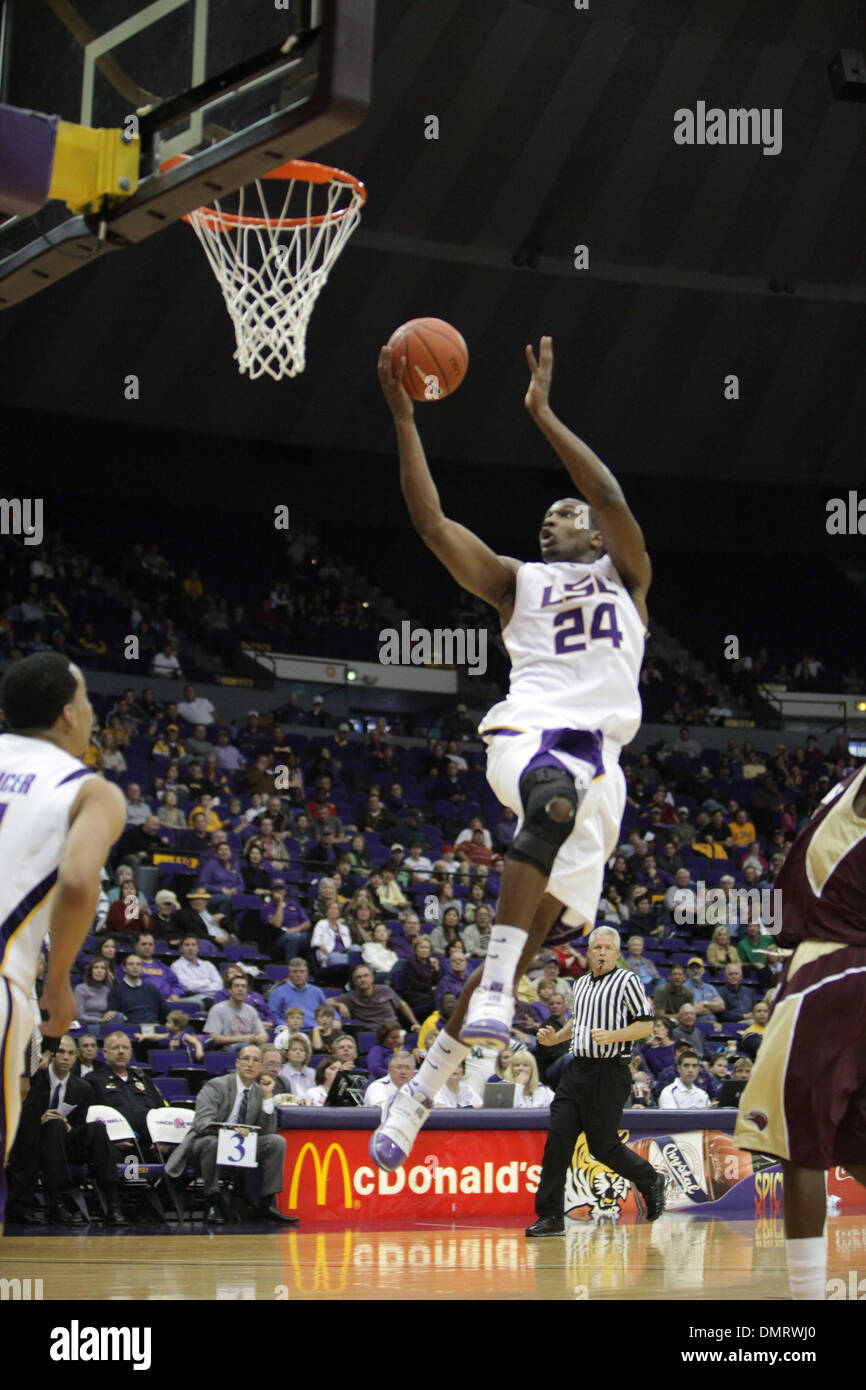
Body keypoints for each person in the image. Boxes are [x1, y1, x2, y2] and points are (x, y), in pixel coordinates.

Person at [372, 336, 653, 1172]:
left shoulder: (627, 575)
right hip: (530, 734)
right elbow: (430, 523)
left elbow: (605, 490)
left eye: (566, 514)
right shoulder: (513, 582)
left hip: (602, 770)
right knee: (548, 797)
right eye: (549, 516)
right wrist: (402, 421)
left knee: (522, 953)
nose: (554, 518)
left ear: (594, 532)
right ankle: (494, 990)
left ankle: (420, 1093)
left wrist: (542, 414)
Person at [0, 654, 127, 1233]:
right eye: (88, 701)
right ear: (67, 715)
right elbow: (79, 880)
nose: (94, 714)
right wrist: (58, 983)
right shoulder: (91, 792)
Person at [732, 758, 866, 1301]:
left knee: (797, 1143)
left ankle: (806, 1305)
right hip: (843, 959)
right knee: (857, 1148)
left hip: (833, 964)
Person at [525, 928, 664, 1235]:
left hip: (610, 1072)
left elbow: (645, 1025)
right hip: (576, 1071)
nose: (601, 952)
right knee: (558, 1142)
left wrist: (613, 1036)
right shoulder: (582, 983)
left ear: (617, 953)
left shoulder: (627, 981)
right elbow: (579, 1020)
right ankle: (551, 1216)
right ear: (588, 953)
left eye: (607, 947)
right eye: (596, 947)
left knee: (603, 1147)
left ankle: (650, 1179)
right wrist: (556, 1038)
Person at [164, 1045, 295, 1226]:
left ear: (261, 1067)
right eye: (246, 1059)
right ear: (237, 1063)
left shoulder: (259, 1091)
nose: (250, 1064)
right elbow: (202, 1123)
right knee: (212, 1142)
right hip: (203, 1146)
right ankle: (212, 1201)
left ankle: (266, 1204)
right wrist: (231, 1130)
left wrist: (267, 1097)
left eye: (256, 1060)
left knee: (276, 1141)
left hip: (240, 1147)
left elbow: (267, 1132)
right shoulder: (216, 1086)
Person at [6, 1036, 122, 1227]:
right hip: (33, 1143)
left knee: (97, 1129)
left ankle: (113, 1203)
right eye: (60, 1052)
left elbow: (78, 1125)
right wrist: (38, 1121)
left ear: (76, 1057)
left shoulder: (83, 1088)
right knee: (53, 1126)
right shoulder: (34, 1082)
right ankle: (56, 1202)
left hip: (65, 1143)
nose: (65, 1057)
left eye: (70, 1053)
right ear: (51, 1055)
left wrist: (68, 1125)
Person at [85, 1031, 168, 1146]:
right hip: (113, 1146)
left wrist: (162, 1141)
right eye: (115, 1048)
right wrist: (112, 1142)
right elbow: (90, 1120)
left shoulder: (143, 1078)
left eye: (125, 1048)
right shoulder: (94, 1080)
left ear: (130, 1052)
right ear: (105, 1053)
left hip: (152, 1146)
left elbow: (161, 1111)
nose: (121, 1052)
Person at [333, 965, 421, 1034]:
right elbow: (327, 1001)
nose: (362, 979)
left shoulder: (385, 990)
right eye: (358, 977)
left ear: (372, 978)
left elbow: (402, 1005)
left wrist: (415, 1023)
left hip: (394, 1030)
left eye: (365, 976)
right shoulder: (351, 996)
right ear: (354, 982)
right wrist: (340, 1005)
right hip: (372, 1033)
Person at [204, 975, 269, 1052]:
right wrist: (242, 1038)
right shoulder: (217, 1009)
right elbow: (213, 1038)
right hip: (226, 1050)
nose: (240, 989)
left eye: (243, 986)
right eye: (236, 986)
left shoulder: (251, 1010)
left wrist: (261, 1037)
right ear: (229, 990)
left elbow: (263, 1033)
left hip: (248, 1048)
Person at [267, 959, 329, 1031]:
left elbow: (328, 1010)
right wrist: (286, 1026)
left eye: (302, 971)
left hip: (315, 1031)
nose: (298, 975)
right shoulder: (277, 992)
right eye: (295, 972)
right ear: (289, 973)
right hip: (289, 1032)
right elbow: (273, 1016)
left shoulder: (316, 991)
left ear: (307, 973)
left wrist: (336, 1019)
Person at [73, 957, 116, 1029]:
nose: (99, 971)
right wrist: (99, 1020)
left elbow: (108, 1012)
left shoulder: (107, 990)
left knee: (118, 1016)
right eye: (96, 968)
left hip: (102, 1023)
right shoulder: (80, 988)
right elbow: (79, 1015)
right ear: (90, 971)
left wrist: (110, 1013)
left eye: (102, 968)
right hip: (86, 1024)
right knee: (95, 1027)